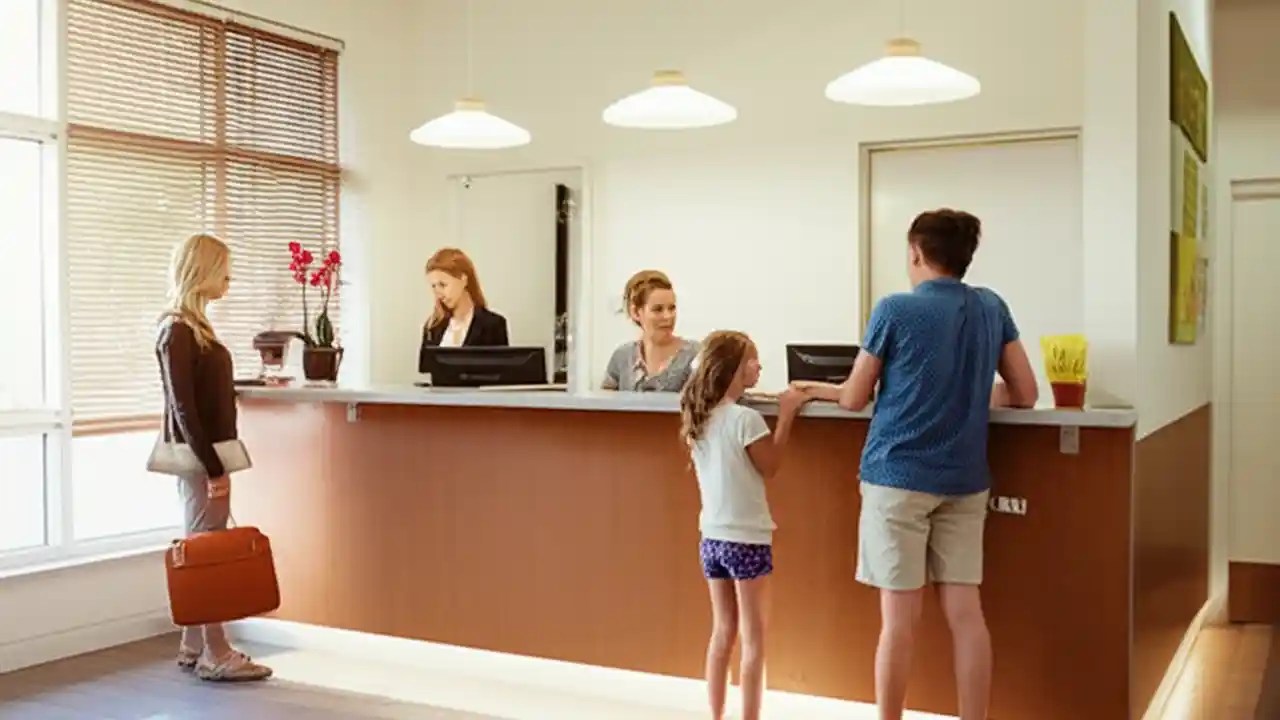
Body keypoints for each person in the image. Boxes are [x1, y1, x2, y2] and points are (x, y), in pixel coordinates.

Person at [793, 209, 1038, 720]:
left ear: (915, 253)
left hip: (896, 479)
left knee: (899, 622)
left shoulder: (895, 310)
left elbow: (855, 397)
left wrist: (816, 388)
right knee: (967, 615)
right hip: (965, 482)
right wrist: (964, 392)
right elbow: (1025, 394)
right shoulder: (992, 307)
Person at [155, 233, 273, 682]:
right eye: (224, 267)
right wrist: (214, 467)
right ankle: (216, 653)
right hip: (202, 457)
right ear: (202, 270)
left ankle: (192, 644)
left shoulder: (193, 327)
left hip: (208, 453)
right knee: (208, 553)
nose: (230, 277)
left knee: (201, 544)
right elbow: (184, 407)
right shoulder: (177, 329)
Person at [679, 331, 810, 720]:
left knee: (722, 634)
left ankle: (715, 714)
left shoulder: (700, 417)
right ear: (733, 368)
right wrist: (786, 414)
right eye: (753, 360)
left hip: (712, 538)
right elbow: (770, 465)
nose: (759, 366)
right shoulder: (745, 420)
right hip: (748, 540)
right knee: (754, 640)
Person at [602, 269, 699, 392]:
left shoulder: (695, 356)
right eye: (658, 309)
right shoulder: (622, 357)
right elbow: (605, 406)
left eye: (672, 308)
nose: (668, 316)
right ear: (636, 312)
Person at [420, 247, 509, 350]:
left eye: (443, 285)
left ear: (463, 279)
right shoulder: (432, 328)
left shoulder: (493, 325)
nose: (438, 294)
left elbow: (498, 365)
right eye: (434, 286)